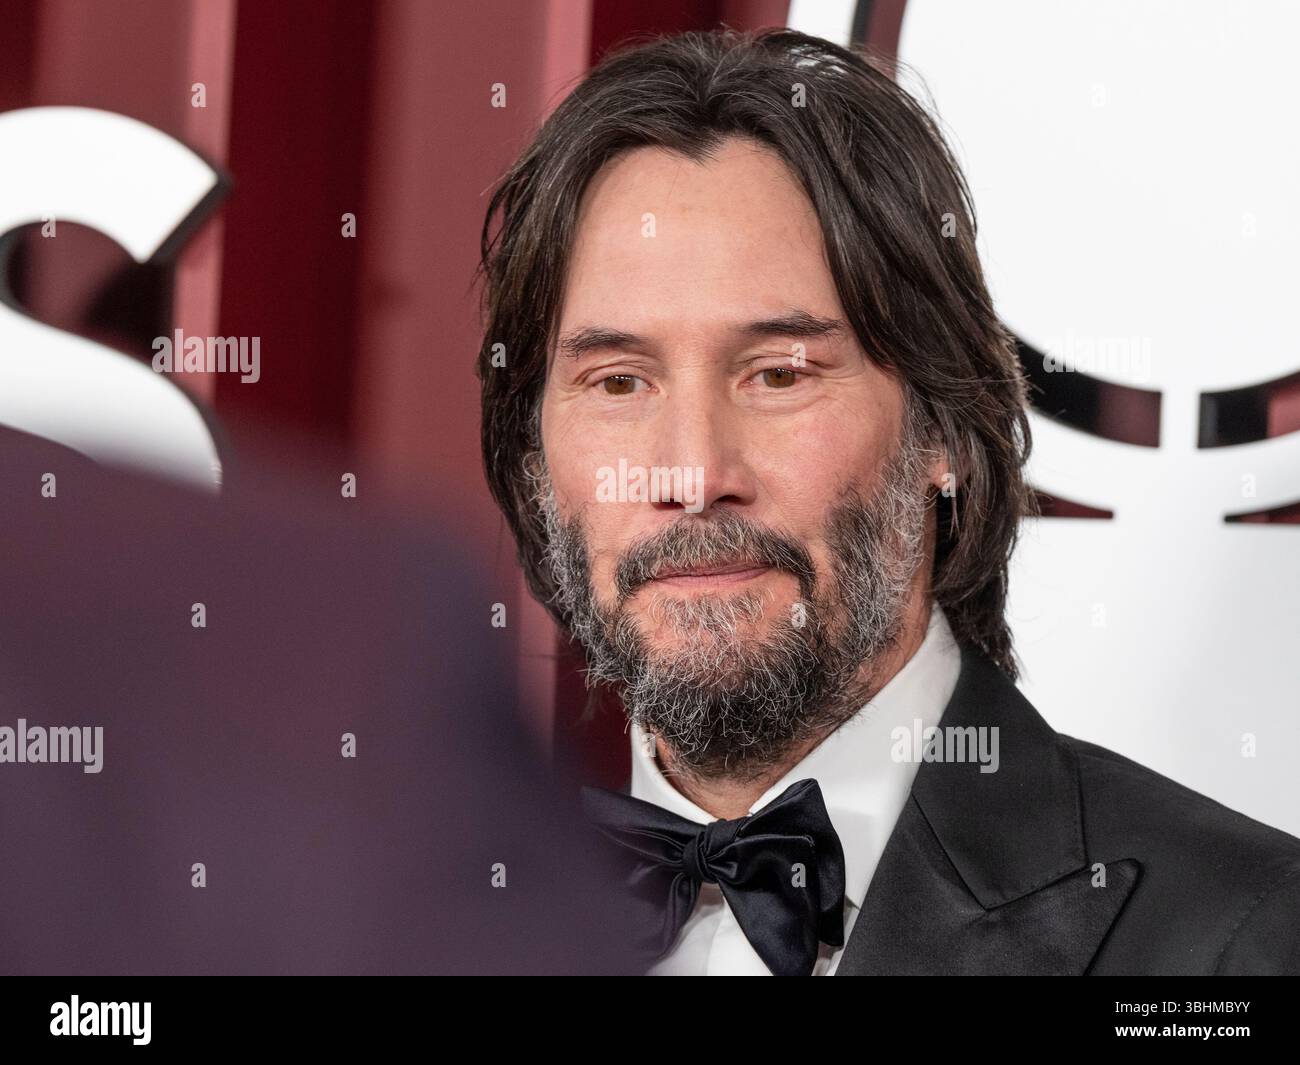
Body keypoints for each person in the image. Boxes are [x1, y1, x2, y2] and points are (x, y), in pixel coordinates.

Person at [475, 27, 1300, 975]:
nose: (691, 473)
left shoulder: (1244, 939)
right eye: (619, 383)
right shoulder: (396, 917)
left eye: (779, 374)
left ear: (943, 430)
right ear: (535, 460)